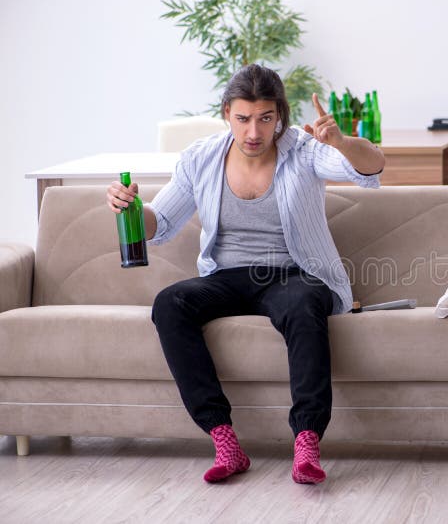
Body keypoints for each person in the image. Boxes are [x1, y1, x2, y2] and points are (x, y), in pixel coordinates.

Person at [106, 64, 384, 484]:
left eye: (265, 119)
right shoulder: (202, 158)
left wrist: (342, 141)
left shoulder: (303, 149)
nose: (254, 132)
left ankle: (307, 442)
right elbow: (159, 223)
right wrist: (130, 208)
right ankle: (224, 441)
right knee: (170, 303)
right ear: (226, 114)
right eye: (243, 119)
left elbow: (371, 170)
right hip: (228, 276)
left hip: (296, 273)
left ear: (280, 117)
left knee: (305, 302)